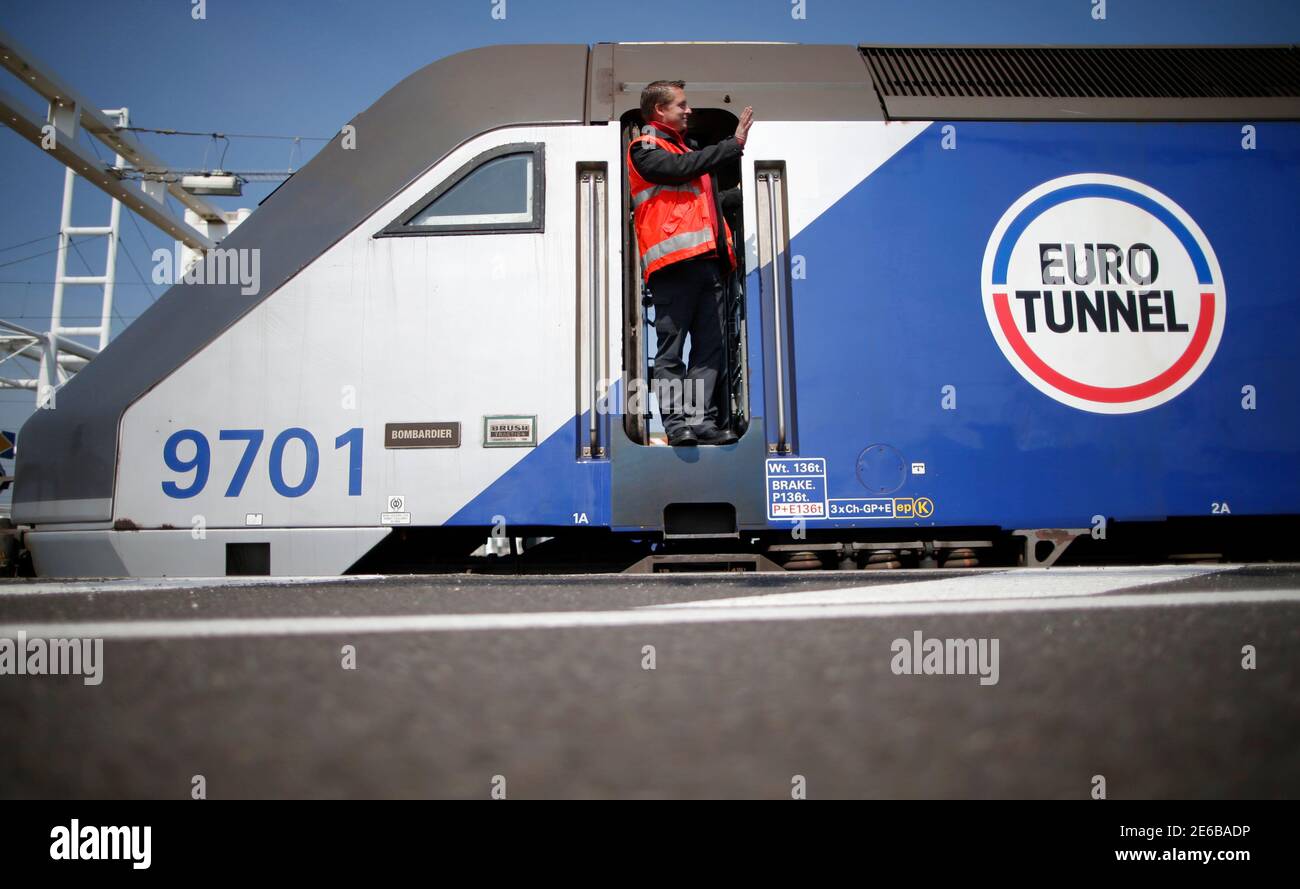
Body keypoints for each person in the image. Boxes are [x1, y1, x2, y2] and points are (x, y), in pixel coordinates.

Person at [628, 80, 754, 446]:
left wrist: (739, 198)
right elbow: (679, 168)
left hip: (708, 265)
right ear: (659, 111)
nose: (688, 111)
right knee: (671, 351)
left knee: (708, 347)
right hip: (672, 266)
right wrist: (733, 146)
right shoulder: (646, 148)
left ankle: (701, 422)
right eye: (681, 105)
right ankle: (675, 424)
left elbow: (704, 202)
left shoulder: (689, 155)